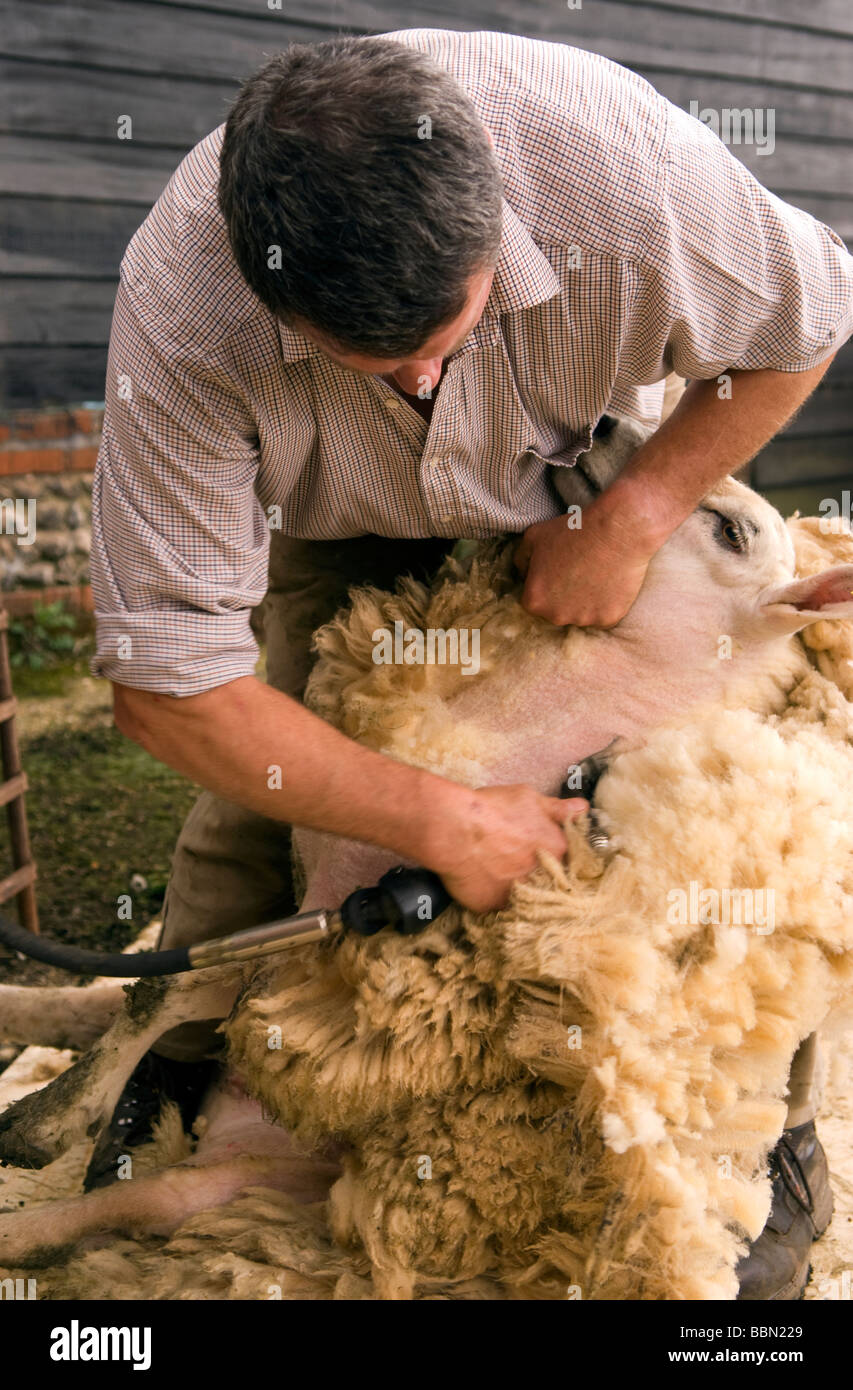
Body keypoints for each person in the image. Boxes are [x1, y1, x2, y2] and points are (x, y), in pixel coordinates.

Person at [87, 30, 853, 1299]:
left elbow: (811, 315)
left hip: (580, 462)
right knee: (272, 773)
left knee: (711, 797)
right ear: (267, 297)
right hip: (335, 515)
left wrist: (639, 514)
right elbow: (173, 687)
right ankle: (198, 1053)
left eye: (447, 330)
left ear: (497, 216)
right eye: (377, 362)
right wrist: (449, 818)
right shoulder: (182, 315)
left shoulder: (627, 175)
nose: (425, 377)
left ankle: (762, 1129)